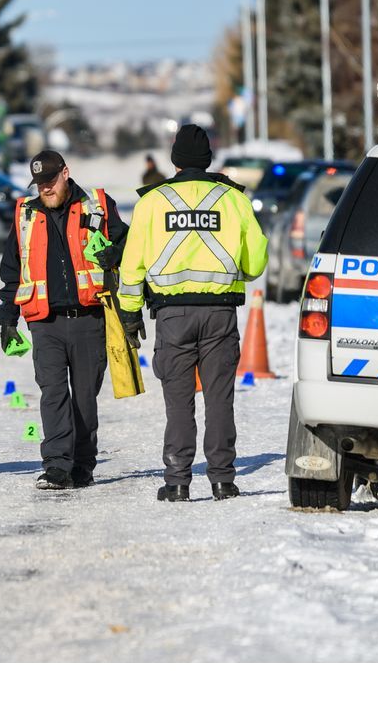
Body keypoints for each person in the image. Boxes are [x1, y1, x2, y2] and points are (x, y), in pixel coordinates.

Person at [117, 125, 268, 502]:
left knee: (178, 402)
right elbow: (255, 264)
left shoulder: (152, 202)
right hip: (219, 315)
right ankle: (222, 480)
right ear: (209, 158)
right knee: (219, 399)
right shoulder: (234, 201)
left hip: (173, 316)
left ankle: (178, 481)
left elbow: (131, 264)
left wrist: (130, 314)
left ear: (174, 159)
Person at [0, 150, 129, 490]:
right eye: (39, 184)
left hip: (89, 318)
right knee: (52, 392)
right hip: (45, 322)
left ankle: (83, 464)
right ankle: (56, 465)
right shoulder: (25, 215)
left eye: (51, 181)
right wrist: (7, 319)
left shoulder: (96, 205)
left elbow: (129, 241)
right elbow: (13, 272)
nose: (46, 189)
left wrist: (116, 252)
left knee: (84, 397)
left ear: (66, 173)